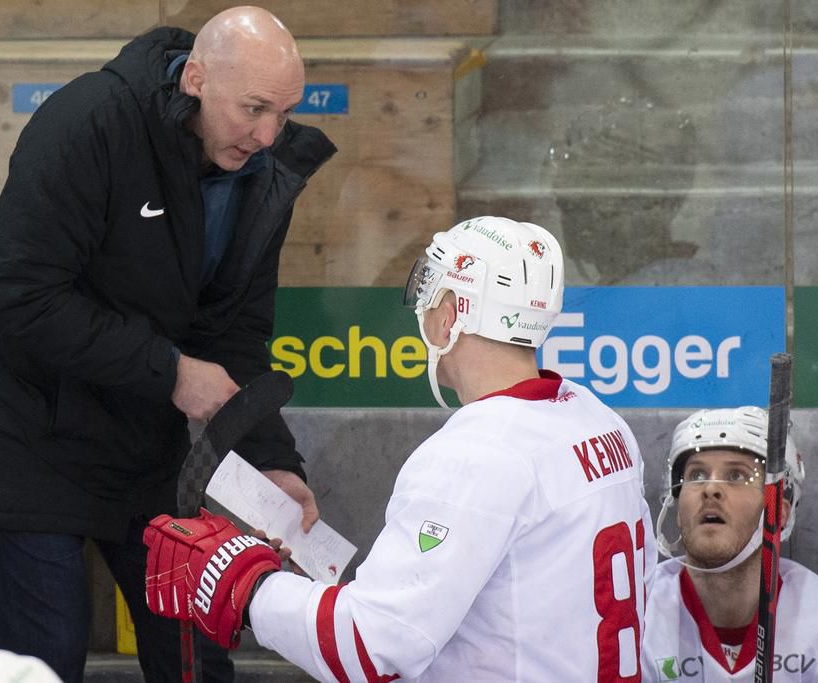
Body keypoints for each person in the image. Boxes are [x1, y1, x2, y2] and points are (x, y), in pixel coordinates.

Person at [0, 6, 335, 683]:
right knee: (48, 649)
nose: (269, 135)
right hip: (22, 431)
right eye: (254, 109)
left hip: (138, 440)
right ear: (196, 79)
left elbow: (235, 333)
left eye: (285, 113)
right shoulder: (91, 122)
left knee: (195, 646)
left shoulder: (262, 171)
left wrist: (271, 462)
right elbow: (20, 295)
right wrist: (171, 370)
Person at [141, 215, 657, 681]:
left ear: (451, 314)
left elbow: (372, 647)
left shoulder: (477, 453)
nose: (421, 311)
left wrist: (243, 583)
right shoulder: (597, 420)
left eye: (430, 293)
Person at [643, 406, 818, 681]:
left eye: (737, 475)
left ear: (779, 513)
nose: (710, 489)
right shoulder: (636, 618)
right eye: (697, 475)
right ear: (677, 506)